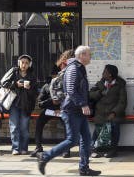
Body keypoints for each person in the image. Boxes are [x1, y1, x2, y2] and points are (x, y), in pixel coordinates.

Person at [37, 46, 100, 176]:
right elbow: (71, 90)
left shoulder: (79, 68)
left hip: (78, 111)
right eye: (89, 54)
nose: (90, 57)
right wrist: (83, 104)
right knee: (72, 140)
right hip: (71, 110)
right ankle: (45, 157)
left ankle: (84, 168)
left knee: (86, 140)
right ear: (82, 55)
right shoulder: (74, 69)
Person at [31, 50, 74, 158]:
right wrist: (51, 101)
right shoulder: (47, 86)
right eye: (55, 75)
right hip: (50, 110)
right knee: (40, 121)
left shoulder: (67, 83)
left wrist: (61, 107)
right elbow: (40, 103)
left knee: (66, 123)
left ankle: (66, 150)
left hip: (63, 110)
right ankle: (38, 147)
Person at [0, 54, 38, 155]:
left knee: (24, 127)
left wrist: (29, 88)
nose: (24, 65)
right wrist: (15, 84)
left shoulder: (32, 75)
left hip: (26, 105)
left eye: (26, 63)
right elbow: (3, 83)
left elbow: (35, 92)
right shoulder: (14, 71)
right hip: (14, 104)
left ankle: (24, 148)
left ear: (29, 64)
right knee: (14, 126)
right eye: (22, 62)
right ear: (19, 63)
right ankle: (15, 148)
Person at [89, 64, 126, 159]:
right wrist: (100, 93)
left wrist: (114, 112)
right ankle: (92, 149)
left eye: (104, 72)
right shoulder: (100, 83)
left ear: (110, 74)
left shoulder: (120, 85)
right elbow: (90, 94)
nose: (102, 73)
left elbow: (123, 102)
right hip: (100, 113)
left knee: (114, 127)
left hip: (114, 113)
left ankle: (113, 150)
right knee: (97, 131)